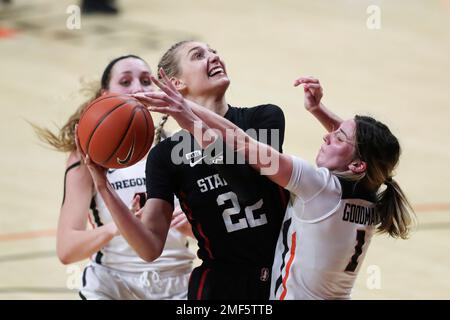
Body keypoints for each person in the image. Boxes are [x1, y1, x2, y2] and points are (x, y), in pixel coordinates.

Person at [139, 71, 416, 300]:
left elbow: (242, 142)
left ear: (357, 165)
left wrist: (186, 112)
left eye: (337, 137)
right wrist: (319, 110)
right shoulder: (372, 195)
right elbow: (365, 149)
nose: (327, 137)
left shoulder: (318, 186)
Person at [82, 41, 290, 300]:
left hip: (284, 276)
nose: (214, 57)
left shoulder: (264, 118)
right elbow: (149, 248)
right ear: (176, 83)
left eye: (213, 51)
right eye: (199, 55)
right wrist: (103, 186)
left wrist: (191, 121)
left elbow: (251, 190)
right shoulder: (165, 155)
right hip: (218, 285)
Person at [33, 55, 195, 300]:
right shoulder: (87, 155)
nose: (138, 88)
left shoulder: (179, 148)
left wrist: (193, 226)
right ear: (104, 94)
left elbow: (217, 233)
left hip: (177, 284)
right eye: (126, 81)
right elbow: (67, 249)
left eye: (145, 80)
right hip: (112, 283)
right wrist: (122, 225)